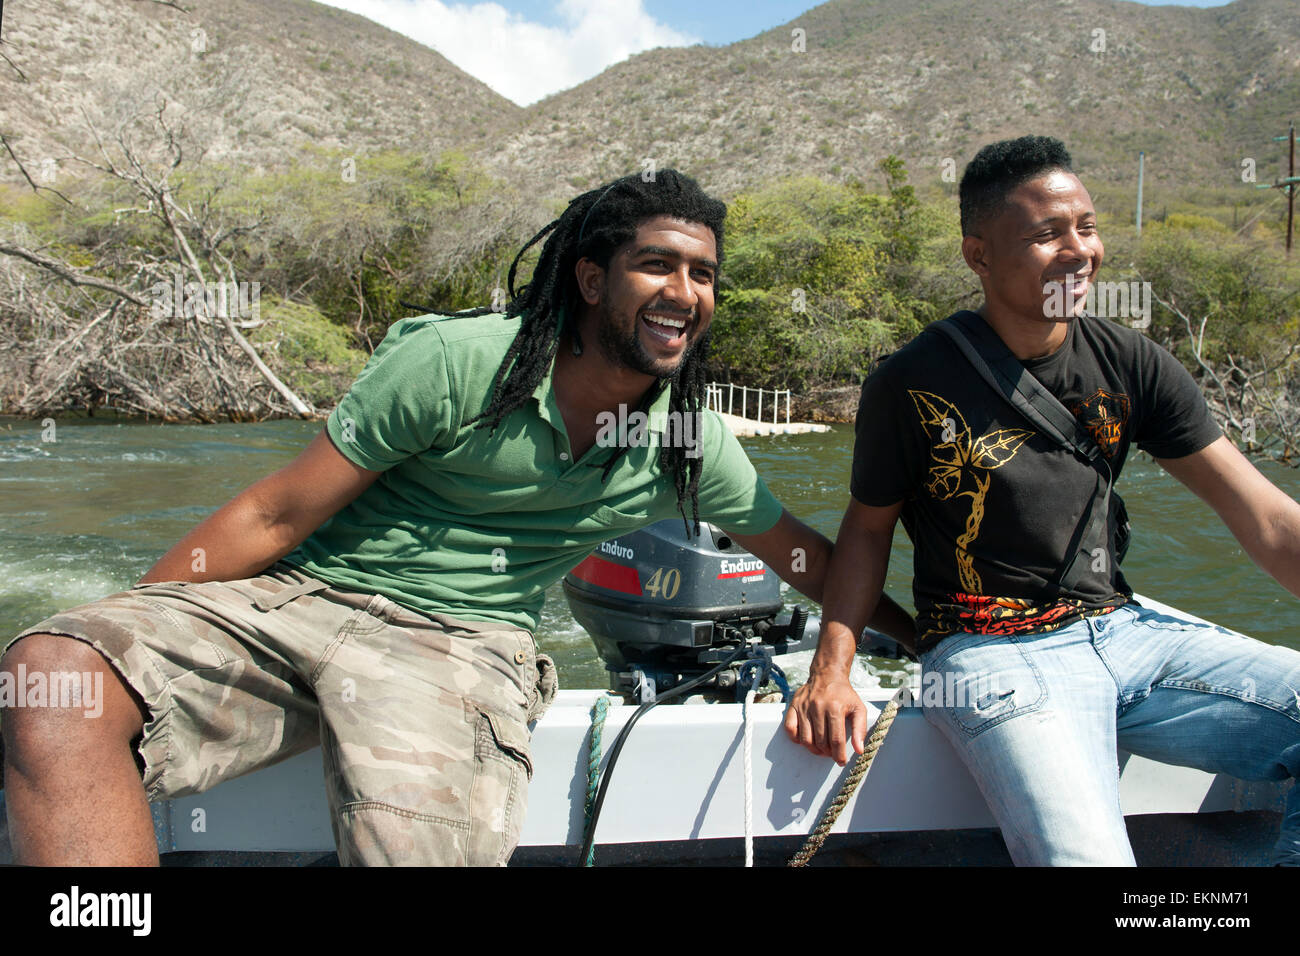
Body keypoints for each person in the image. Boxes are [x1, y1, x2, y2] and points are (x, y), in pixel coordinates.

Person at [1, 169, 912, 866]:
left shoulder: (684, 441)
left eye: (703, 274)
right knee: (54, 675)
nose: (685, 290)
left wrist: (923, 644)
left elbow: (810, 561)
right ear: (591, 280)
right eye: (657, 265)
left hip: (460, 647)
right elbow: (276, 513)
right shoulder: (453, 365)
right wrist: (145, 622)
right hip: (301, 601)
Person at [784, 136, 1300, 866]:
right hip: (991, 652)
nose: (1078, 250)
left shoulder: (1131, 362)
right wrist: (830, 670)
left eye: (1086, 227)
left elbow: (1267, 517)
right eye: (1046, 234)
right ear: (979, 256)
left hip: (1125, 631)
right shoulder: (910, 382)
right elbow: (866, 534)